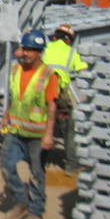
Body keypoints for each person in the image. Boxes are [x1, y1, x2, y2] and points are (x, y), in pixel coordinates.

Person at [0, 29, 61, 219]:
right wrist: (6, 115)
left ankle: (36, 211)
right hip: (16, 131)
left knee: (36, 173)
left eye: (32, 50)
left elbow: (52, 106)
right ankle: (21, 200)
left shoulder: (49, 75)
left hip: (37, 134)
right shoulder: (17, 70)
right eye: (25, 48)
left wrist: (49, 135)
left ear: (40, 52)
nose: (26, 53)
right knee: (6, 166)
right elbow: (15, 96)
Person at [42, 24, 89, 173]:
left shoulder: (46, 48)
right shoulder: (71, 52)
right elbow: (84, 70)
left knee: (43, 124)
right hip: (59, 94)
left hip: (41, 90)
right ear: (69, 40)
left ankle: (41, 161)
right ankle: (71, 165)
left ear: (55, 37)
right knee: (69, 128)